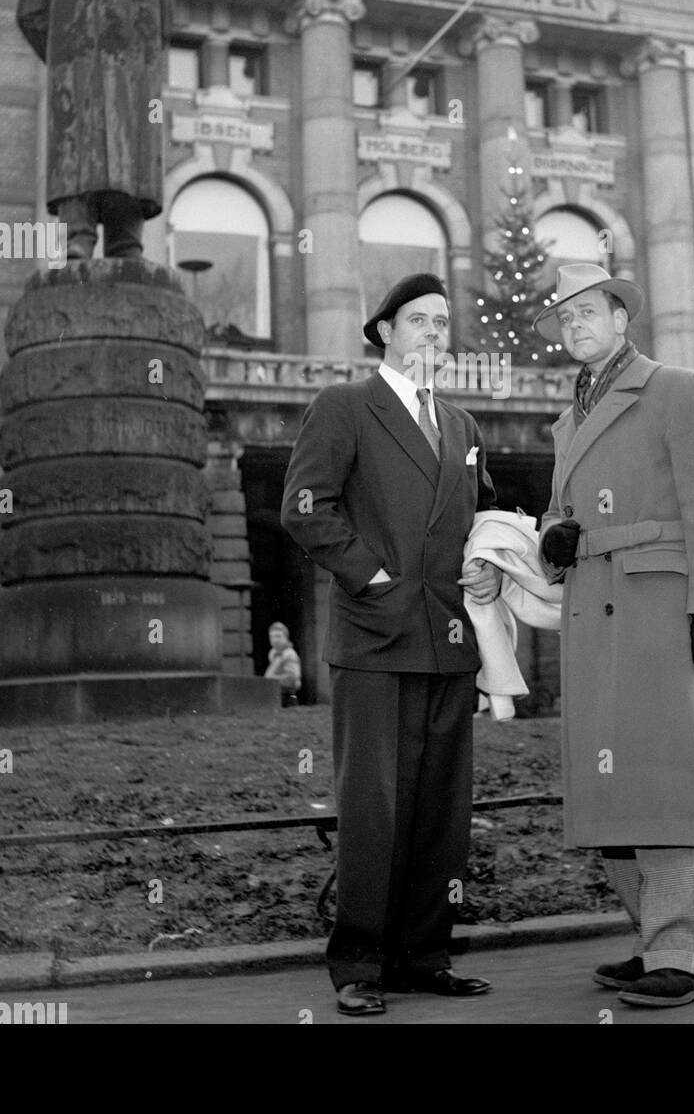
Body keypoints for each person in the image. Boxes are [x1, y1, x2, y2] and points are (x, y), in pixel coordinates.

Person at [280, 273, 501, 1017]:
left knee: (442, 809)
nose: (433, 334)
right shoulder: (344, 407)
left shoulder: (464, 427)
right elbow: (305, 508)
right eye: (417, 321)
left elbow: (484, 516)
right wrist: (372, 575)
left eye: (443, 323)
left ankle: (423, 956)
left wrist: (507, 555)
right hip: (377, 636)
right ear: (383, 332)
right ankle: (359, 965)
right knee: (372, 807)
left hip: (448, 638)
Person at [534, 263, 694, 1009]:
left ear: (622, 317)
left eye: (589, 312)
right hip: (594, 607)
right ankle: (651, 938)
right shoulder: (568, 416)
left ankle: (684, 950)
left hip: (658, 604)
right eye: (566, 318)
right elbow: (570, 514)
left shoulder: (676, 389)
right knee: (612, 782)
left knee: (666, 776)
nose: (577, 326)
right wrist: (553, 539)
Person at [17, 0, 172, 260]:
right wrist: (66, 59)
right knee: (78, 160)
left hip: (134, 82)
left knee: (131, 162)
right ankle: (78, 239)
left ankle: (127, 240)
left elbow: (162, 30)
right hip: (76, 75)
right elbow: (32, 14)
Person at [263, 622, 302, 706]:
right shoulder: (272, 653)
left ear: (286, 638)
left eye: (278, 636)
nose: (275, 640)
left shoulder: (290, 654)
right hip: (276, 693)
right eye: (272, 637)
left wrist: (271, 680)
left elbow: (292, 678)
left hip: (289, 694)